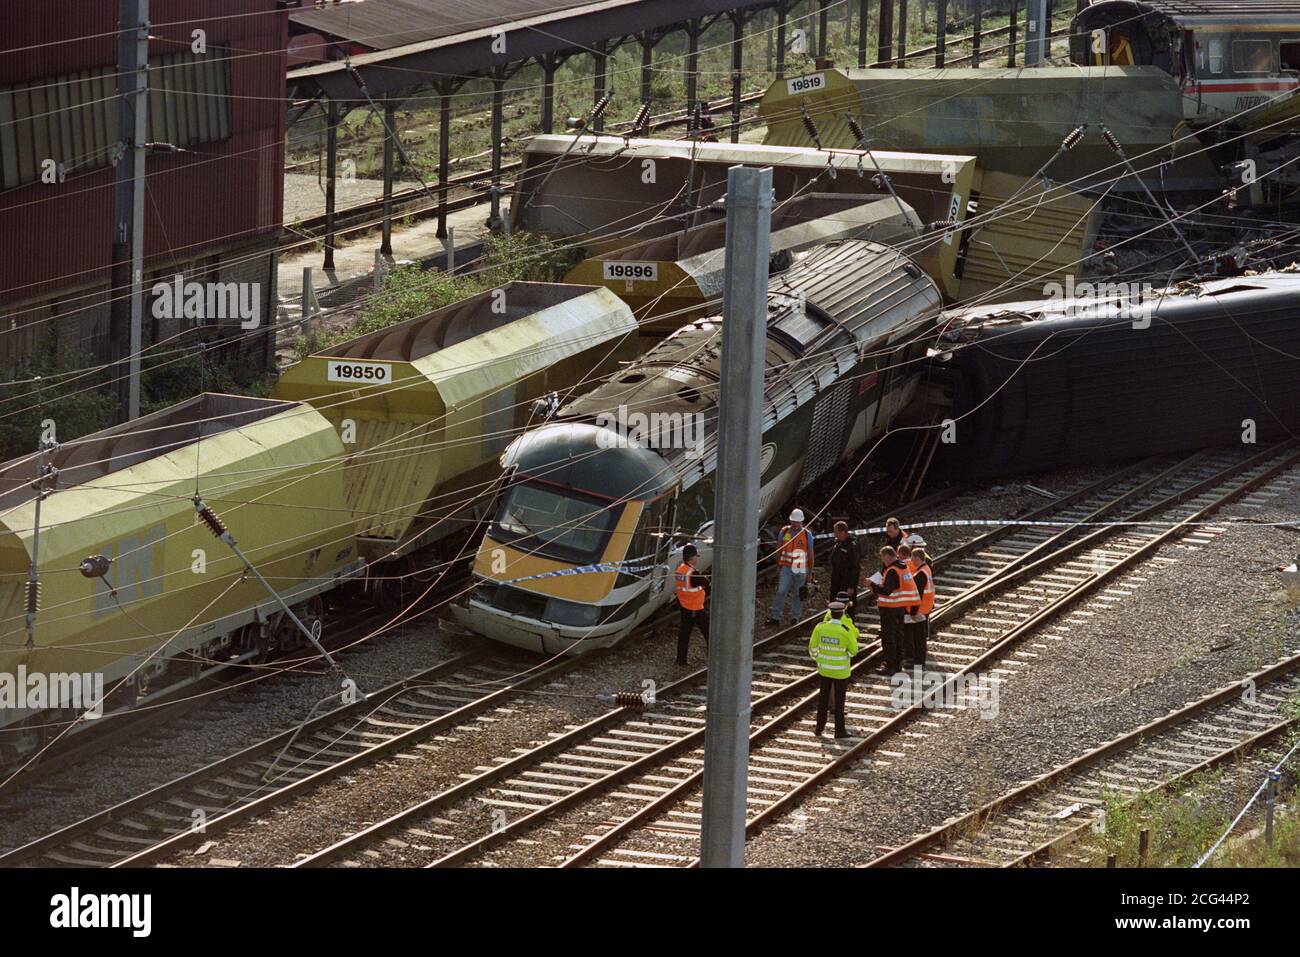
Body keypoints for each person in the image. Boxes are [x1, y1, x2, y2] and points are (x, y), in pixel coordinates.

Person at [808, 598, 859, 738]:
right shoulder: (845, 631)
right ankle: (839, 731)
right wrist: (845, 656)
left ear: (830, 613)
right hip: (841, 671)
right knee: (839, 701)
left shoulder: (820, 627)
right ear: (842, 614)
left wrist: (818, 659)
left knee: (823, 699)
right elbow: (854, 651)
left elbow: (812, 647)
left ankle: (819, 728)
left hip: (824, 669)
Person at [871, 545, 918, 673]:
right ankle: (897, 664)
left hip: (889, 608)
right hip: (900, 607)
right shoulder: (903, 568)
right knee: (898, 635)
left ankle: (890, 665)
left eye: (882, 557)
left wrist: (873, 586)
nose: (882, 560)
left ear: (887, 556)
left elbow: (886, 590)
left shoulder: (892, 570)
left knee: (889, 637)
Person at [767, 508, 814, 625]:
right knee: (781, 591)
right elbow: (779, 549)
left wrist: (810, 572)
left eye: (797, 522)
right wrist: (778, 566)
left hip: (801, 568)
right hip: (786, 567)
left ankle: (795, 616)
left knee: (799, 593)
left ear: (801, 522)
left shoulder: (807, 535)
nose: (795, 524)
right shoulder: (784, 532)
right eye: (793, 521)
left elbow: (810, 554)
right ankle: (775, 617)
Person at [675, 544, 709, 664]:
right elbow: (707, 583)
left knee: (684, 634)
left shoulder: (680, 570)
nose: (697, 559)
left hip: (684, 606)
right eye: (696, 556)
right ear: (692, 558)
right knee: (708, 632)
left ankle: (681, 660)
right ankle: (713, 657)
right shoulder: (693, 573)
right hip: (696, 608)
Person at [906, 539, 936, 667]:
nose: (912, 562)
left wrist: (912, 611)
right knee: (920, 637)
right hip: (926, 607)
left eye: (913, 559)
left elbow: (916, 596)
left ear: (918, 558)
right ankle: (919, 660)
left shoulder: (920, 574)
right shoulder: (926, 569)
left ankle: (918, 661)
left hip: (920, 609)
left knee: (918, 637)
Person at [828, 521, 862, 621]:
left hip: (846, 582)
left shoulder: (852, 546)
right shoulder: (838, 544)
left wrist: (851, 586)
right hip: (836, 581)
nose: (835, 535)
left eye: (836, 532)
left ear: (842, 532)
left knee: (848, 608)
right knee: (835, 606)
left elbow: (855, 567)